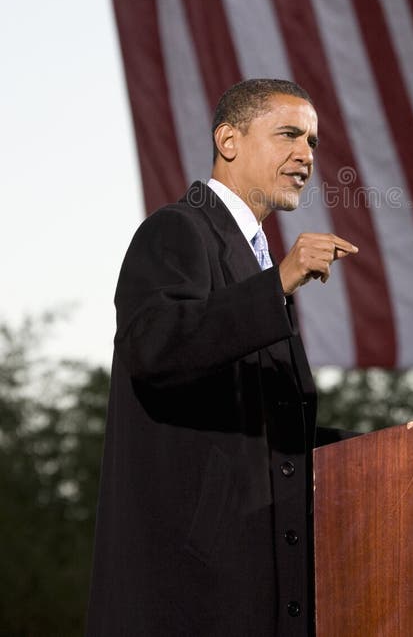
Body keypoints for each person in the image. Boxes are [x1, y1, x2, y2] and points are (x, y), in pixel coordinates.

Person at [86, 79, 359, 637]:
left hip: (258, 589)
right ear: (229, 141)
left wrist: (391, 450)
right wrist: (277, 283)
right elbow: (155, 347)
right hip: (191, 597)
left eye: (311, 141)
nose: (305, 155)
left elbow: (262, 426)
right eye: (288, 134)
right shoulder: (176, 229)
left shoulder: (257, 265)